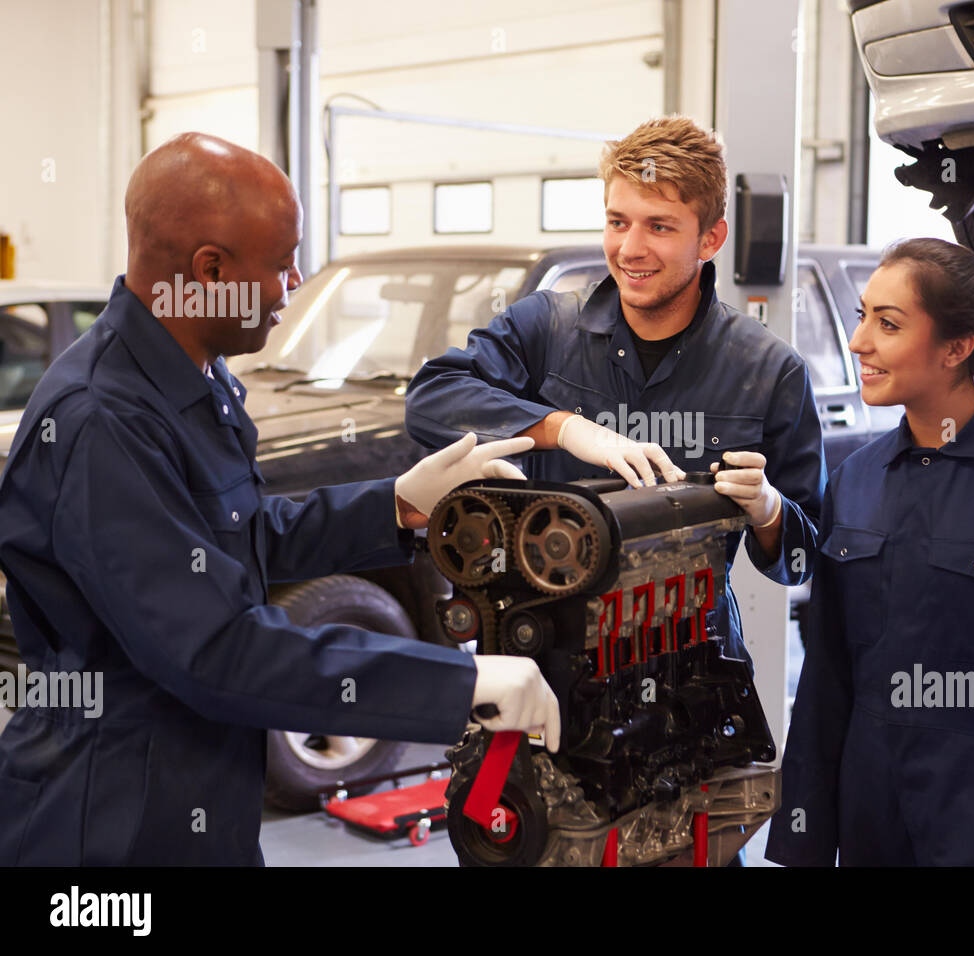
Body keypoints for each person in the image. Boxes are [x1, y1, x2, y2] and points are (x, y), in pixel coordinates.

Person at [0, 133, 559, 866]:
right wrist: (460, 681)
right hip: (113, 811)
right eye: (282, 262)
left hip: (202, 781)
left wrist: (395, 505)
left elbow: (235, 540)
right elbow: (216, 650)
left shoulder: (193, 376)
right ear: (211, 270)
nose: (294, 282)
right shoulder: (103, 420)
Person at [404, 115, 825, 669]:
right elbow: (431, 395)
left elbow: (801, 558)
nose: (630, 248)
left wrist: (770, 510)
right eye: (618, 221)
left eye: (659, 226)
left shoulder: (770, 369)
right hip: (542, 654)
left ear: (711, 238)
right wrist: (564, 427)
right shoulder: (545, 328)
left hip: (690, 663)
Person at [765, 238, 974, 866]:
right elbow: (827, 674)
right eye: (863, 315)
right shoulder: (857, 480)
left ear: (956, 348)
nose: (859, 340)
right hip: (873, 814)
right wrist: (806, 836)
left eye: (887, 323)